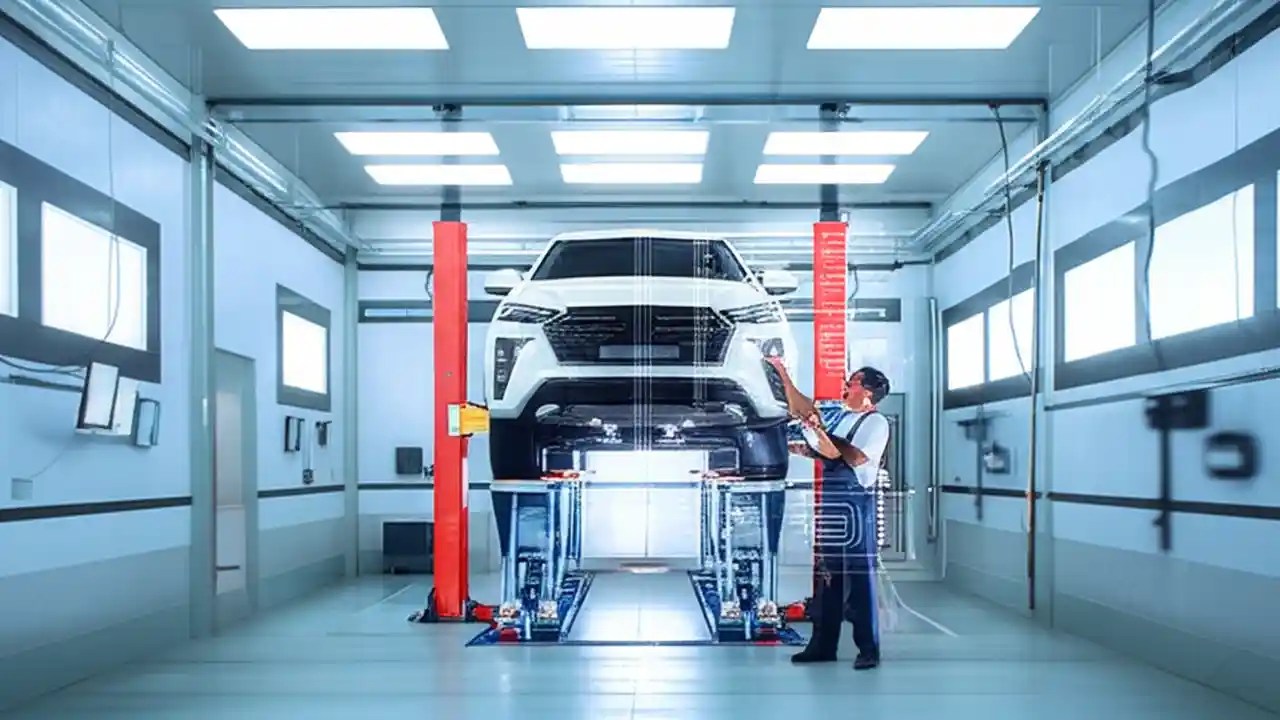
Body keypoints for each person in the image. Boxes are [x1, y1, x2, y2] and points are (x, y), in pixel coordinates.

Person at [768, 358, 891, 670]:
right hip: (832, 507)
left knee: (859, 583)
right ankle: (823, 646)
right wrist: (801, 444)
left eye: (852, 382)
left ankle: (868, 649)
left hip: (855, 510)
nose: (846, 387)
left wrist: (820, 431)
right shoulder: (842, 419)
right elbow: (822, 445)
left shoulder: (876, 424)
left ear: (868, 392)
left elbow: (854, 456)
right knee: (826, 579)